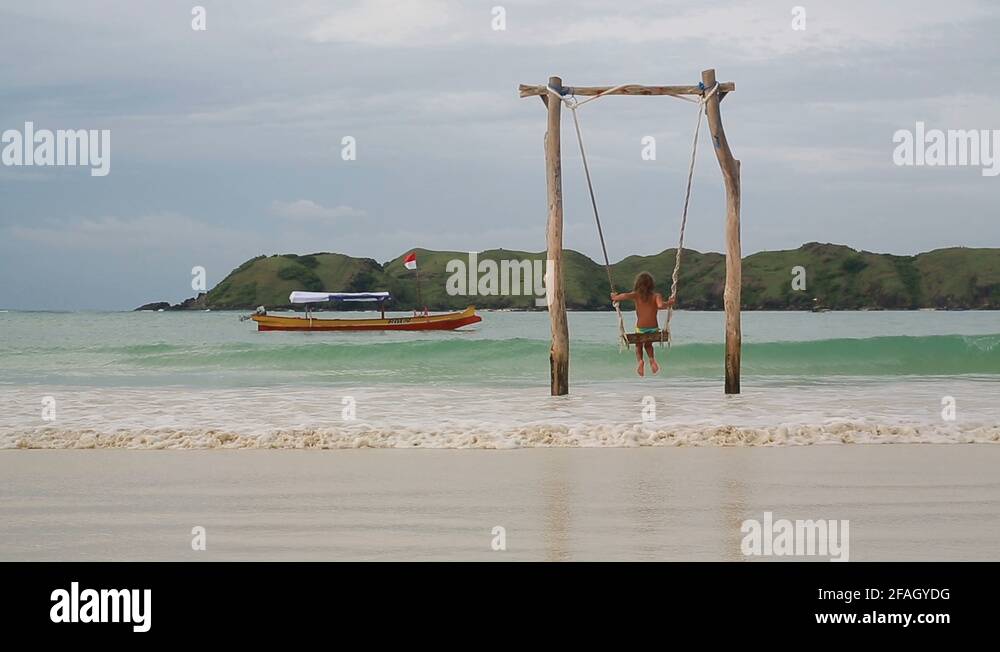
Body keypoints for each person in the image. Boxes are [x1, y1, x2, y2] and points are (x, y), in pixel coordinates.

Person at [611, 272, 675, 377]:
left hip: (641, 328)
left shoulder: (636, 295)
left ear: (638, 284)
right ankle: (652, 359)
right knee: (648, 344)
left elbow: (625, 296)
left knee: (638, 345)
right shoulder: (656, 296)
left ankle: (640, 361)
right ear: (651, 285)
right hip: (653, 328)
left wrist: (615, 297)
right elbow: (660, 305)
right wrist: (669, 303)